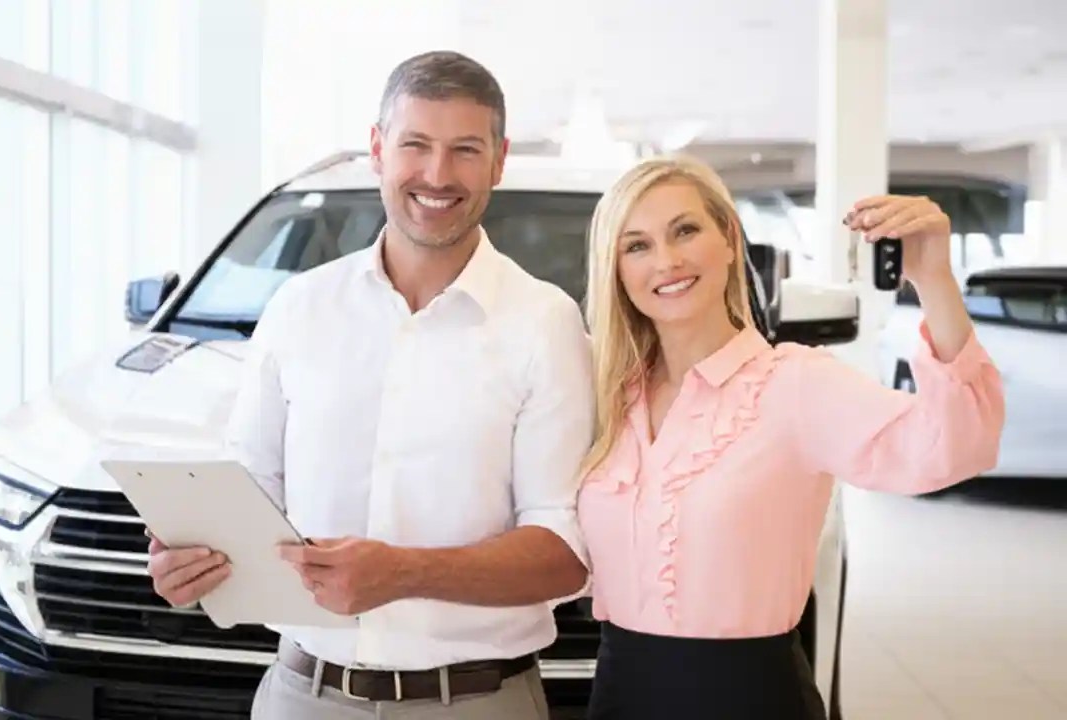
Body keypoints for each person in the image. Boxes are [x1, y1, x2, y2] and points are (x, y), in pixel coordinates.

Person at [146, 50, 594, 719]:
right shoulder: (300, 307)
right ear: (378, 149)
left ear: (498, 161)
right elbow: (252, 488)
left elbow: (563, 555)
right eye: (416, 144)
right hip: (302, 695)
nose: (438, 175)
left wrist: (404, 572)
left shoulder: (546, 324)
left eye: (465, 150)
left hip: (474, 701)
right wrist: (192, 557)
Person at [577, 154, 1005, 719]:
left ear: (730, 239)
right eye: (638, 246)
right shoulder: (604, 394)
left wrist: (933, 278)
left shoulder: (795, 384)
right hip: (619, 695)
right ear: (617, 270)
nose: (667, 261)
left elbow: (958, 444)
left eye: (685, 230)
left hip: (750, 699)